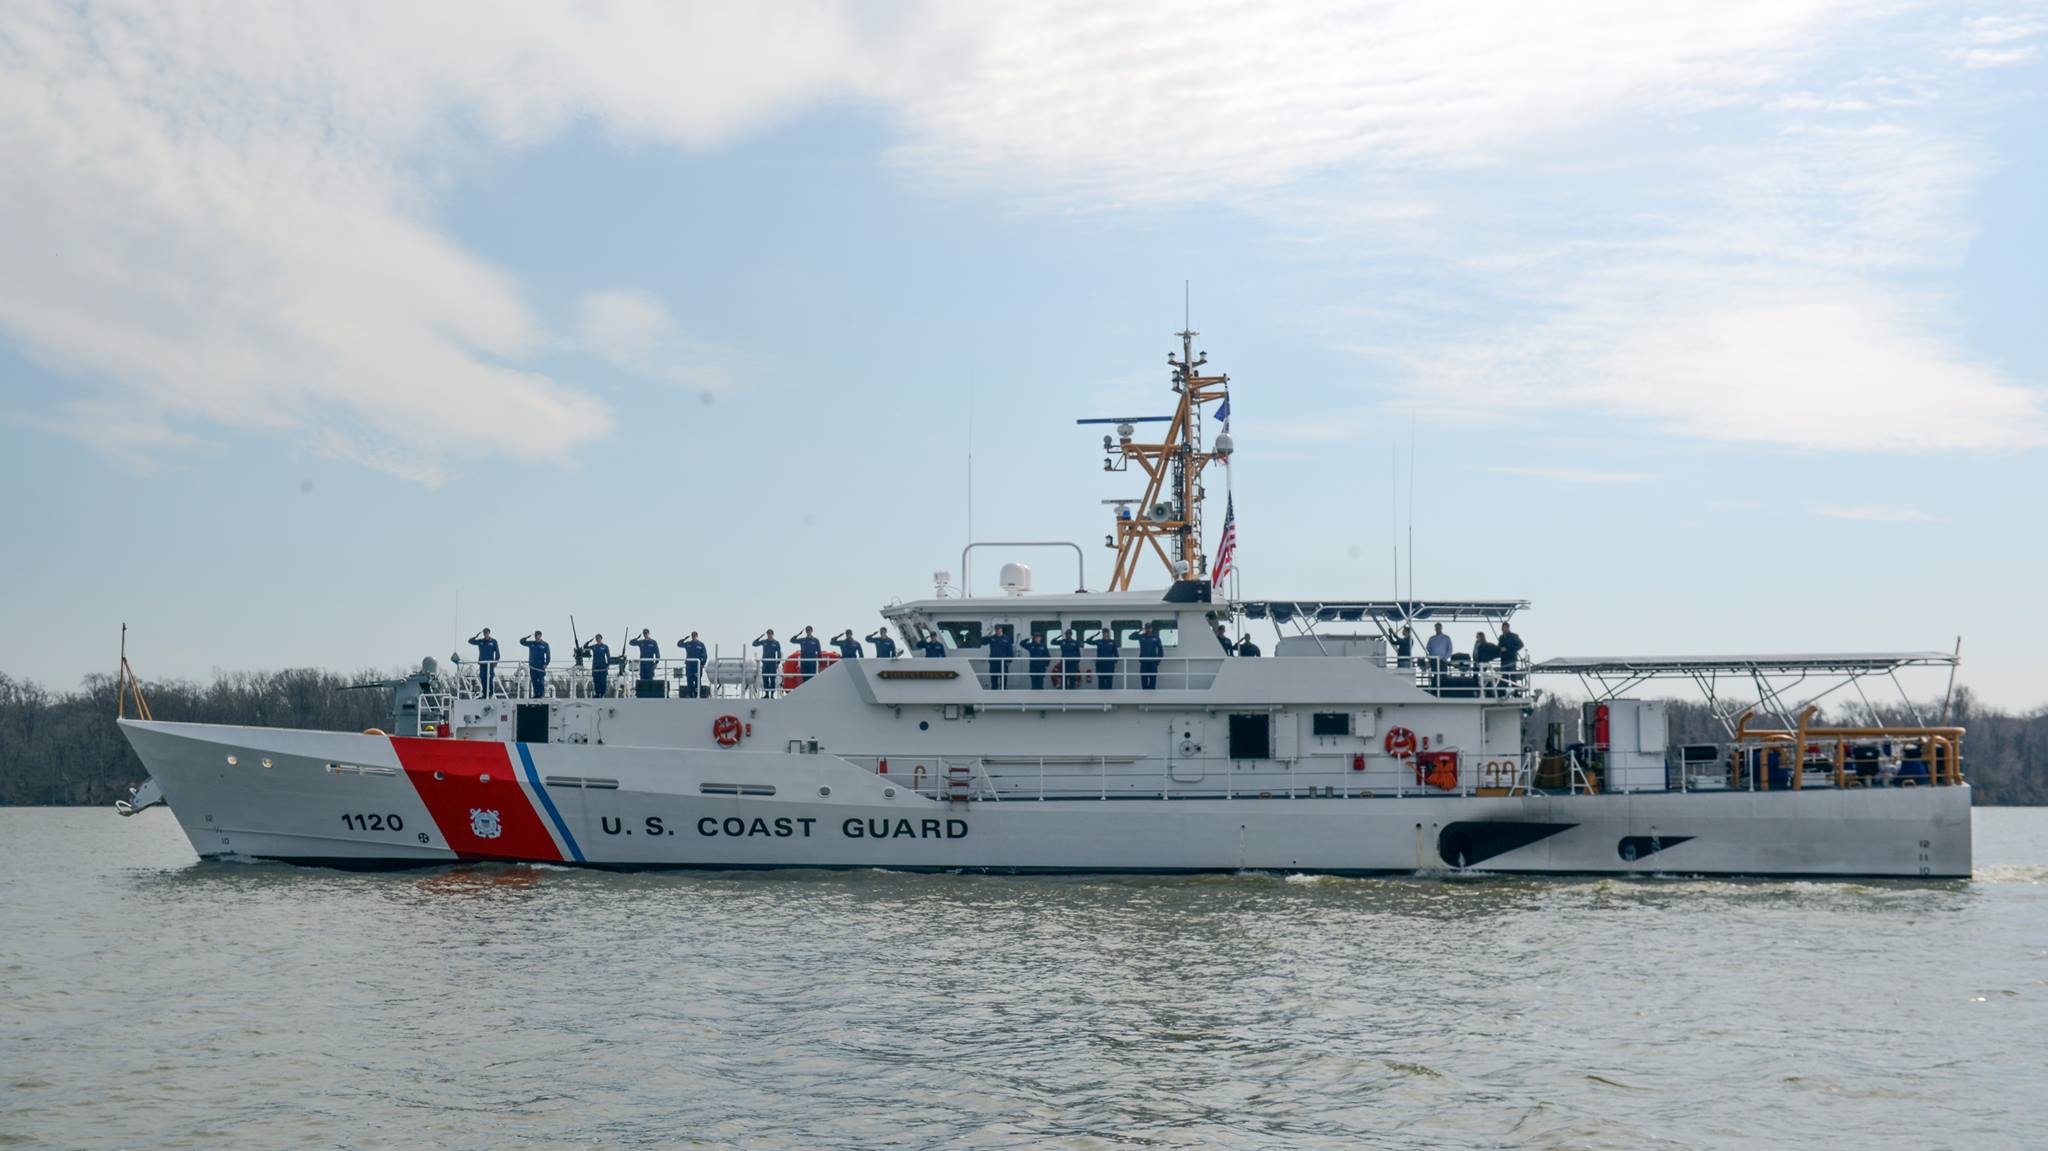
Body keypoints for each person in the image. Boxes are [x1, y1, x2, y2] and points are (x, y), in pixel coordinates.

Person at [468, 628, 500, 697]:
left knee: (490, 677)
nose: (485, 634)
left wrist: (496, 661)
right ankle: (485, 693)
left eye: (487, 633)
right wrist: (476, 637)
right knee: (483, 678)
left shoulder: (494, 641)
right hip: (482, 663)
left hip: (490, 663)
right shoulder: (480, 641)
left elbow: (497, 653)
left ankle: (491, 692)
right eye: (484, 633)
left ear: (489, 633)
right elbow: (470, 641)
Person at [675, 631, 708, 697]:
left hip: (697, 666)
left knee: (697, 681)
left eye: (695, 635)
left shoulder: (701, 644)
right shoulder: (688, 644)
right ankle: (690, 694)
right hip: (689, 666)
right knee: (689, 680)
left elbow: (705, 655)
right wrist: (684, 639)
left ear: (697, 636)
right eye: (693, 635)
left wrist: (703, 664)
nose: (694, 637)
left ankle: (697, 694)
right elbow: (679, 644)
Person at [519, 631, 551, 698]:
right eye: (535, 635)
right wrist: (527, 637)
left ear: (540, 635)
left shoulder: (545, 644)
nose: (536, 636)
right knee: (534, 681)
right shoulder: (531, 643)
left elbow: (548, 655)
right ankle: (536, 695)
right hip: (532, 666)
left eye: (537, 635)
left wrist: (546, 663)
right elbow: (521, 642)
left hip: (541, 666)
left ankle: (541, 694)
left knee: (541, 681)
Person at [985, 625, 1014, 690]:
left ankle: (1003, 696)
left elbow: (1010, 650)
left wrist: (1009, 660)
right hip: (994, 662)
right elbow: (983, 642)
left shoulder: (1007, 638)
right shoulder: (992, 638)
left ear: (1001, 629)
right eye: (996, 629)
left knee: (1003, 681)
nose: (997, 630)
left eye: (999, 629)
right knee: (994, 680)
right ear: (995, 630)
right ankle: (994, 696)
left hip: (1003, 663)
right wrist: (988, 634)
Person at [753, 630, 781, 697]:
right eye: (768, 633)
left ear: (773, 634)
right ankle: (767, 694)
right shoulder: (764, 642)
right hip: (765, 663)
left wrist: (778, 662)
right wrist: (759, 637)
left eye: (770, 633)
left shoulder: (776, 643)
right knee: (765, 678)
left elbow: (779, 653)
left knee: (772, 679)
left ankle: (771, 694)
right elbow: (754, 644)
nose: (769, 635)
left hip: (772, 663)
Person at [1137, 624, 1164, 690]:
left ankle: (1152, 696)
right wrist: (1139, 630)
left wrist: (1158, 660)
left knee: (1153, 680)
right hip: (1144, 662)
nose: (1148, 629)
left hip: (1153, 662)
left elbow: (1160, 650)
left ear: (1152, 629)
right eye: (1147, 628)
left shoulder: (1156, 638)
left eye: (1149, 628)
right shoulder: (1141, 637)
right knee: (1144, 680)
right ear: (1145, 629)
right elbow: (1131, 637)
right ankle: (1145, 696)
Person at [584, 634, 611, 699]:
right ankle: (597, 693)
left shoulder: (605, 647)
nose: (597, 639)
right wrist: (589, 641)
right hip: (595, 666)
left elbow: (608, 656)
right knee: (596, 681)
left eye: (598, 638)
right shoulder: (594, 646)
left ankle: (602, 694)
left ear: (601, 638)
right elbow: (585, 647)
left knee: (603, 681)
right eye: (596, 638)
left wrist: (608, 665)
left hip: (603, 667)